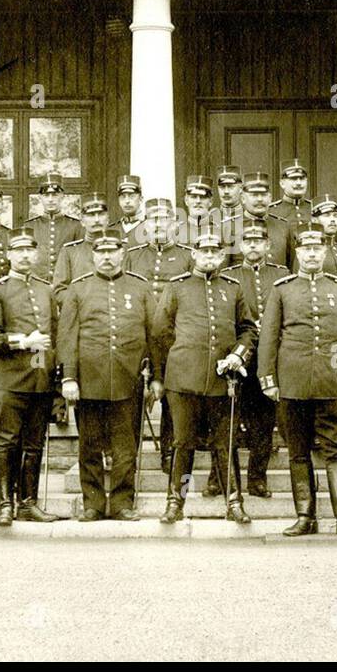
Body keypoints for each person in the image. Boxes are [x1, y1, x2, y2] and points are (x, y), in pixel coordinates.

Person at [257, 223, 337, 538]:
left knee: (336, 449)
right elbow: (268, 337)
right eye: (306, 249)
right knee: (297, 450)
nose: (311, 254)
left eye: (317, 248)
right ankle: (305, 517)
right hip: (291, 382)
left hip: (330, 380)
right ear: (297, 252)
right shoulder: (282, 289)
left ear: (324, 251)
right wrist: (267, 378)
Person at [152, 227, 258, 525]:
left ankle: (233, 502)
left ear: (222, 256)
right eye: (204, 251)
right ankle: (176, 501)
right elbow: (161, 332)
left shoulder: (233, 287)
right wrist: (181, 358)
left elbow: (248, 329)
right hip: (183, 381)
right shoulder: (177, 287)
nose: (209, 256)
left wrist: (238, 354)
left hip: (221, 381)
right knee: (183, 444)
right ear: (194, 254)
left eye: (215, 252)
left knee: (225, 444)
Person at [58, 228, 156, 521]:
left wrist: (155, 377)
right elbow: (67, 336)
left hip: (129, 380)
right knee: (89, 444)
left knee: (126, 446)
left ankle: (124, 502)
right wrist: (69, 377)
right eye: (101, 252)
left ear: (122, 253)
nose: (107, 257)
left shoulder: (140, 287)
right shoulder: (78, 288)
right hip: (89, 381)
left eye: (112, 251)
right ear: (93, 255)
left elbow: (154, 334)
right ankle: (93, 503)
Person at [0, 228, 64, 526]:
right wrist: (23, 342)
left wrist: (53, 378)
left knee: (33, 444)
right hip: (7, 381)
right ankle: (4, 504)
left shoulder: (45, 289)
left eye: (30, 250)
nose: (25, 255)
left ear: (36, 254)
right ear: (10, 255)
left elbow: (54, 335)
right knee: (5, 443)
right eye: (19, 250)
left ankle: (27, 503)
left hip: (40, 381)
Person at [210, 219, 290, 498]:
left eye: (259, 241)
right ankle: (218, 477)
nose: (253, 245)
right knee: (226, 419)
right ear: (241, 246)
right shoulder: (229, 277)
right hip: (236, 357)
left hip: (268, 357)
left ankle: (258, 478)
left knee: (263, 422)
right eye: (248, 241)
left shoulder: (282, 275)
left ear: (268, 245)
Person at [123, 197, 193, 472]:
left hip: (173, 336)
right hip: (138, 336)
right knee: (134, 395)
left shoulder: (187, 256)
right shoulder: (132, 254)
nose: (159, 225)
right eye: (153, 220)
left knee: (172, 394)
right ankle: (129, 454)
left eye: (165, 219)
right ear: (145, 225)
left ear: (174, 224)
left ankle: (169, 452)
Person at [225, 171, 290, 268]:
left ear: (270, 198)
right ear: (243, 198)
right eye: (254, 195)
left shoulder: (282, 226)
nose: (260, 199)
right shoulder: (230, 226)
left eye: (263, 195)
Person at [25, 173, 83, 278]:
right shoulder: (29, 226)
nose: (50, 199)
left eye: (55, 195)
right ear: (40, 197)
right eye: (46, 195)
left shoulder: (75, 226)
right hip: (38, 286)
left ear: (62, 196)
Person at [52, 192, 110, 289]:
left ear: (108, 219)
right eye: (91, 215)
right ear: (82, 221)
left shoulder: (122, 249)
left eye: (100, 214)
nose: (96, 220)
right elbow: (60, 289)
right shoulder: (69, 251)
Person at [306, 193, 337, 279]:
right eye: (327, 215)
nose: (332, 220)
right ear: (315, 220)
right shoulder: (308, 252)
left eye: (335, 216)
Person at [269, 158, 313, 227]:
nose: (299, 183)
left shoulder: (314, 209)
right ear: (282, 183)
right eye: (293, 179)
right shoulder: (271, 211)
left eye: (302, 178)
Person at [115, 175, 145, 243]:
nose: (127, 201)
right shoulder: (112, 229)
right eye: (123, 196)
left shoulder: (149, 228)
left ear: (141, 199)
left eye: (132, 196)